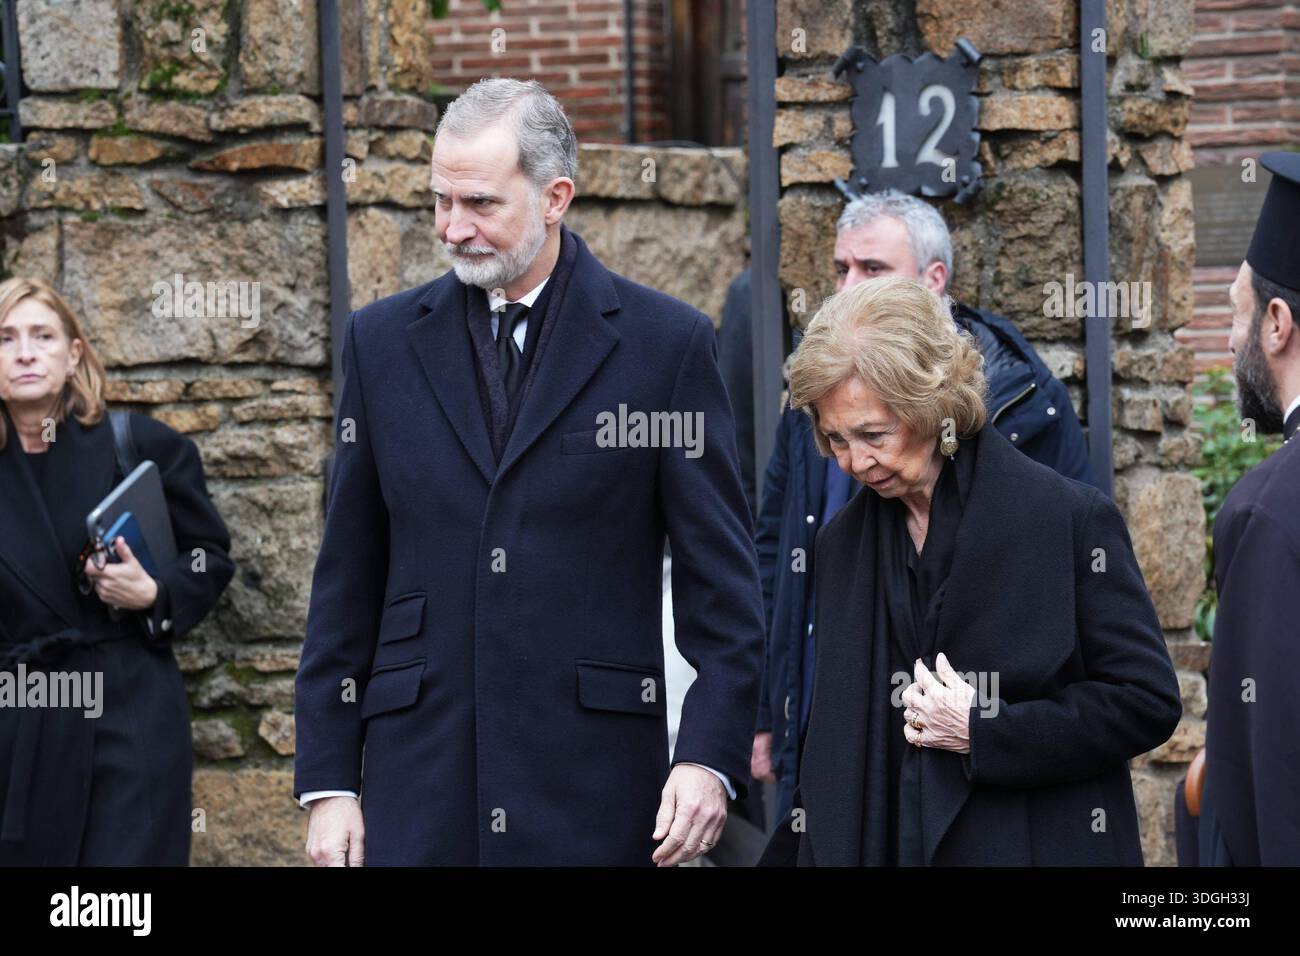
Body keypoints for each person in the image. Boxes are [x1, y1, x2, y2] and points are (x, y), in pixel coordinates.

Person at [294, 78, 764, 867]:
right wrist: (331, 782)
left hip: (595, 788)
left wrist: (707, 759)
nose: (453, 227)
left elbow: (725, 588)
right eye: (440, 200)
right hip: (421, 780)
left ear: (555, 197)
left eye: (479, 203)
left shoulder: (665, 347)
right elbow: (346, 576)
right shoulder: (378, 345)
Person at [760, 276, 1181, 865]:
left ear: (933, 406)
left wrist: (986, 732)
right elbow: (833, 752)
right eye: (835, 439)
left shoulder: (1069, 520)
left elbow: (1146, 702)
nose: (855, 462)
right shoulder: (840, 547)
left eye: (873, 435)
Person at [752, 191, 1093, 823]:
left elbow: (1122, 688)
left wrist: (989, 729)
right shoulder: (821, 415)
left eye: (872, 269)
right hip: (851, 768)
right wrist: (770, 711)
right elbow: (774, 562)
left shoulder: (1032, 423)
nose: (853, 462)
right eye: (840, 268)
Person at [0, 277, 234, 865]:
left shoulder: (141, 445)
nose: (24, 352)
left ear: (73, 353)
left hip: (127, 711)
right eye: (5, 338)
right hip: (17, 721)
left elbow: (209, 556)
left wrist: (154, 593)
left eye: (42, 336)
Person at [1189, 151, 1300, 866]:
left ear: (1277, 322)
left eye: (1235, 312)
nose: (1230, 340)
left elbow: (1271, 781)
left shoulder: (1269, 511)